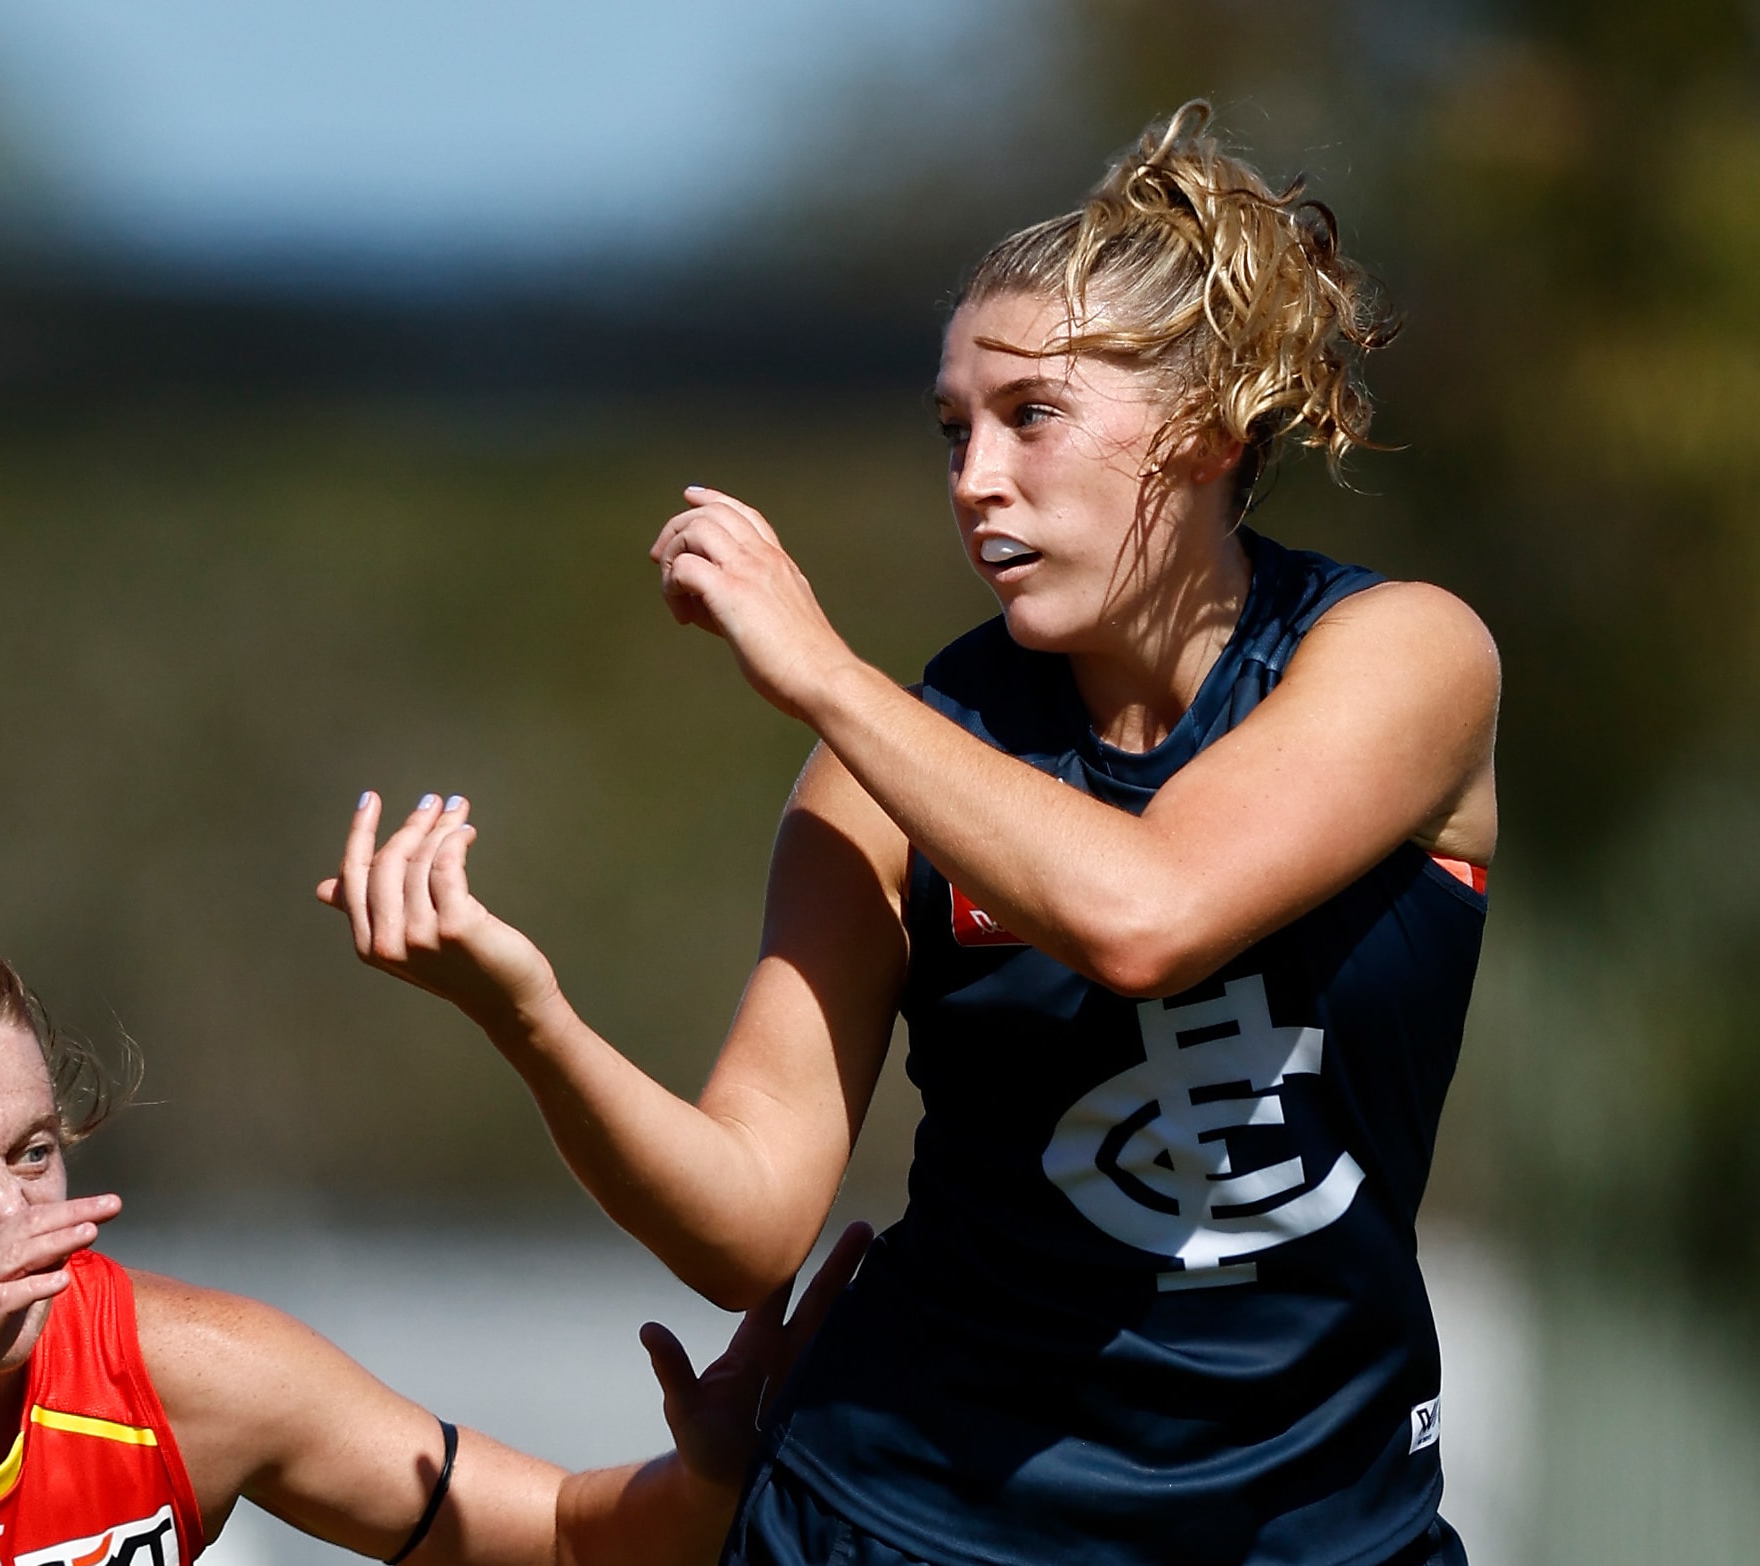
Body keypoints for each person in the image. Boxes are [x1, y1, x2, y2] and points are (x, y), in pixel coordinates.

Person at [321, 103, 1495, 1566]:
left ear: (1199, 430)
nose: (973, 478)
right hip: (911, 1522)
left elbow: (1148, 913)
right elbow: (743, 1226)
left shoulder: (1399, 654)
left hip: (1319, 1535)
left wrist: (820, 667)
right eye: (952, 429)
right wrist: (526, 1012)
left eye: (1029, 416)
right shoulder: (883, 766)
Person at [0, 876, 869, 1566]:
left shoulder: (184, 1373)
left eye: (33, 1150)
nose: (6, 1210)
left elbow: (553, 1534)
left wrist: (715, 1473)